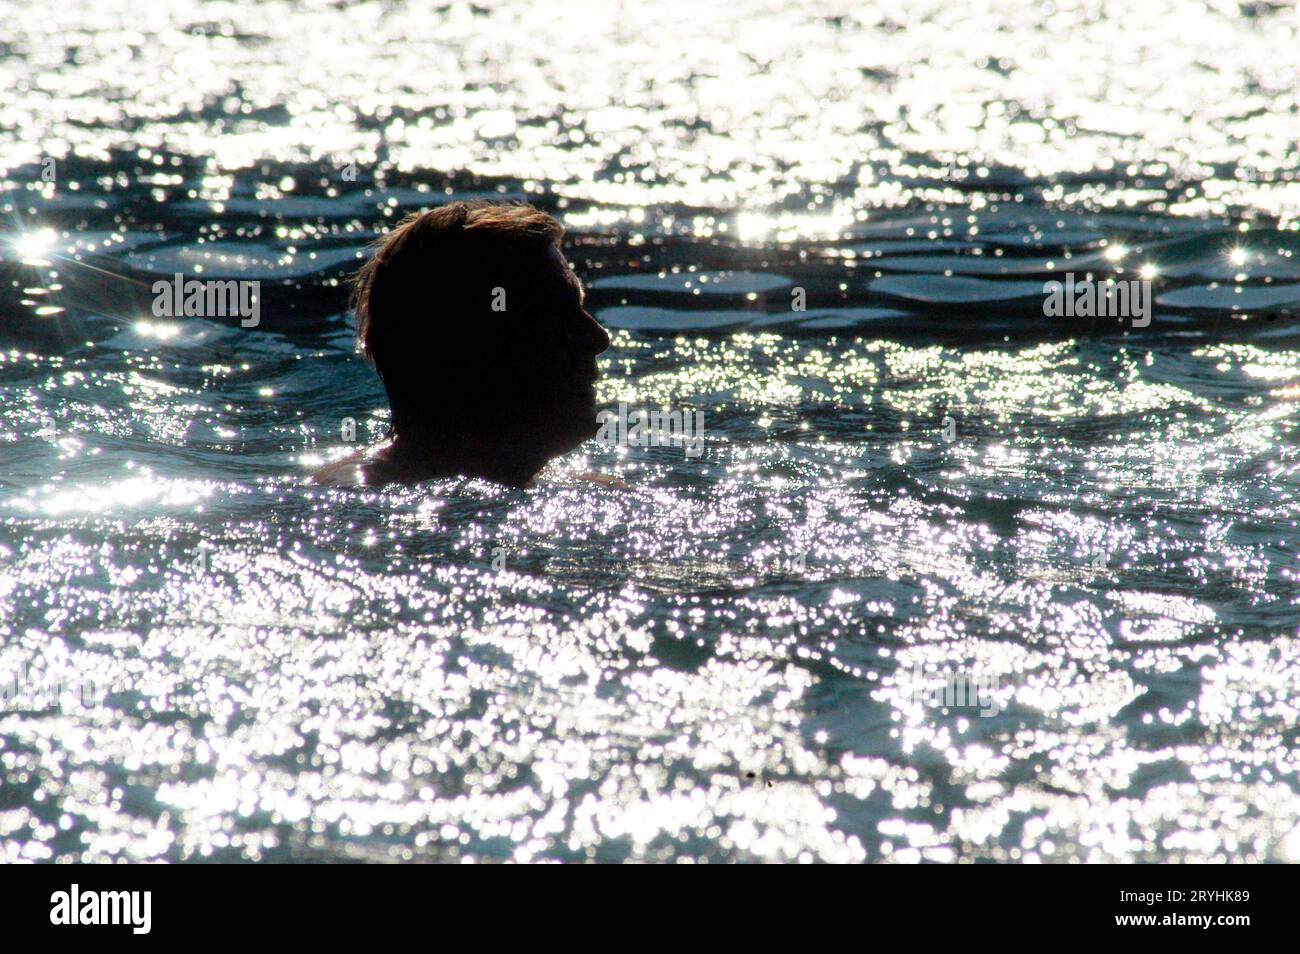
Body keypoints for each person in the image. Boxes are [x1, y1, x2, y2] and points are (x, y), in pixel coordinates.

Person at [311, 201, 610, 488]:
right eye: (553, 314)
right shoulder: (357, 500)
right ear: (471, 352)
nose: (598, 339)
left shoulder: (580, 489)